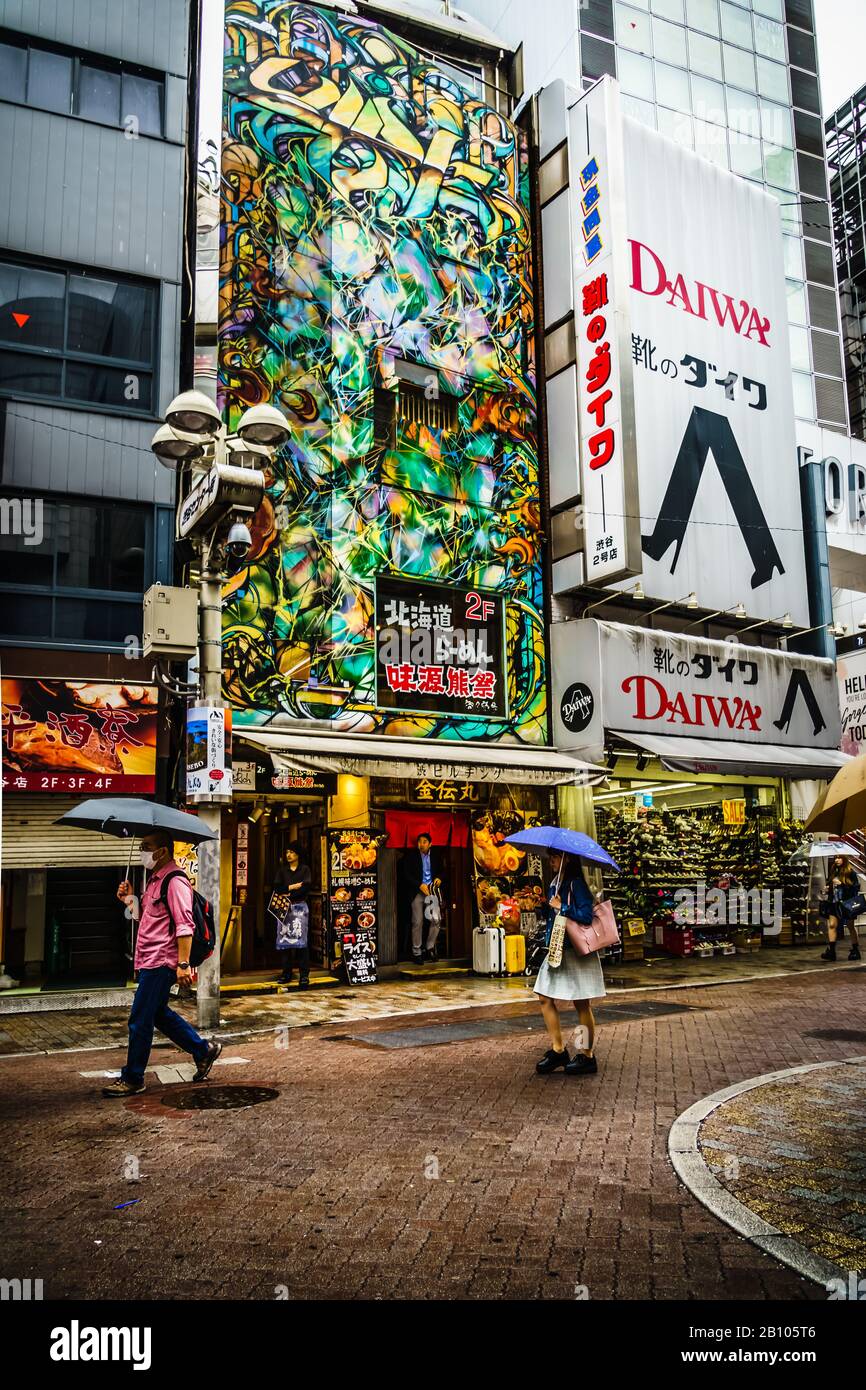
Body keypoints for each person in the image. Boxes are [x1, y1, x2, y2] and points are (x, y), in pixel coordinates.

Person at [102, 831, 221, 1097]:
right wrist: (129, 900)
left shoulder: (175, 881)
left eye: (147, 847)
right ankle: (203, 1050)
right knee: (157, 1014)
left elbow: (184, 925)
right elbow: (149, 920)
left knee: (140, 1019)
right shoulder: (154, 881)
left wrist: (182, 964)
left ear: (163, 851)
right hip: (149, 959)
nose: (142, 851)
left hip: (161, 962)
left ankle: (133, 1077)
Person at [533, 850, 606, 1077]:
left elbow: (586, 915)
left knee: (581, 1003)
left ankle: (587, 1055)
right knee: (544, 996)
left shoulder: (576, 883)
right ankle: (558, 1050)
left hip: (575, 950)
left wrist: (561, 907)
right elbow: (554, 914)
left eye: (555, 857)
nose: (551, 861)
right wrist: (543, 906)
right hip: (557, 948)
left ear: (567, 859)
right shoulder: (556, 883)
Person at [402, 832, 445, 963]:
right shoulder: (411, 856)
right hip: (417, 892)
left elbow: (443, 870)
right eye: (420, 841)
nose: (421, 844)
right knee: (417, 921)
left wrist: (439, 878)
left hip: (431, 892)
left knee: (436, 919)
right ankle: (417, 952)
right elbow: (406, 874)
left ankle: (430, 947)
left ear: (430, 844)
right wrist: (419, 884)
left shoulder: (436, 855)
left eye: (424, 841)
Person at [273, 844, 312, 986]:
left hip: (300, 907)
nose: (288, 855)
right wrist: (292, 887)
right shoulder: (282, 871)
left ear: (298, 855)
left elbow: (306, 888)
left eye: (292, 852)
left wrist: (289, 893)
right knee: (285, 942)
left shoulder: (305, 869)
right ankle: (286, 973)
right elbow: (277, 888)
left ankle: (304, 975)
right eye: (287, 852)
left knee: (301, 942)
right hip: (284, 908)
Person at [820, 854, 863, 962]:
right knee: (832, 925)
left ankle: (855, 950)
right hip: (834, 903)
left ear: (844, 859)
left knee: (850, 926)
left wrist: (842, 884)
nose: (837, 860)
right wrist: (826, 889)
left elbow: (856, 888)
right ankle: (832, 952)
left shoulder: (850, 872)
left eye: (839, 858)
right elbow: (830, 888)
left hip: (847, 903)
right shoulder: (833, 872)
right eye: (835, 858)